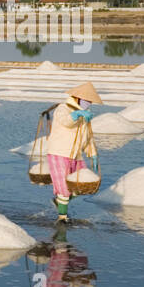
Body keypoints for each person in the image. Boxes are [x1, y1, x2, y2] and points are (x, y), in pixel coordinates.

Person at [43, 82, 101, 222]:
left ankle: (59, 202)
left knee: (81, 186)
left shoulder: (85, 115)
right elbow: (66, 122)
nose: (88, 103)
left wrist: (92, 154)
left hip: (76, 155)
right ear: (77, 98)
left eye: (90, 101)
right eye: (86, 100)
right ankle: (62, 218)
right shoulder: (63, 109)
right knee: (64, 188)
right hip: (60, 153)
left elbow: (87, 137)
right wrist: (76, 115)